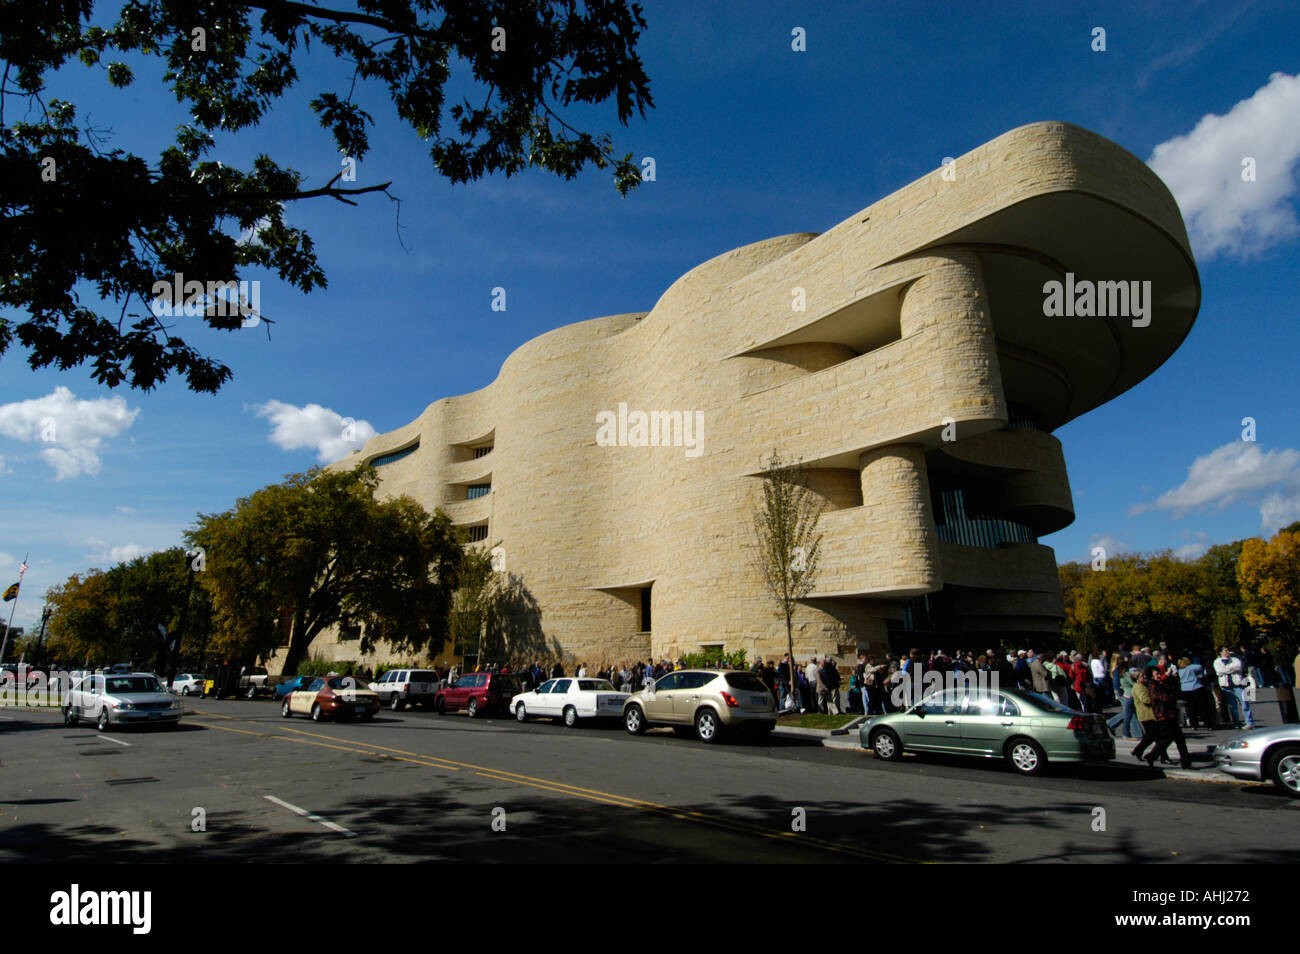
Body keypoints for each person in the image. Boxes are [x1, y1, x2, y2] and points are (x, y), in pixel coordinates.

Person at [1146, 663, 1193, 768]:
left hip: (1170, 714)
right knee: (1167, 739)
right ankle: (1152, 755)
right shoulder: (1152, 685)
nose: (1159, 676)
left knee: (1179, 739)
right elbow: (1161, 697)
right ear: (1151, 675)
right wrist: (1170, 696)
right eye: (1156, 674)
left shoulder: (1160, 684)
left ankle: (1186, 763)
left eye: (1159, 674)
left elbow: (1172, 690)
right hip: (1163, 715)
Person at [1213, 647, 1253, 729]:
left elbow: (1239, 667)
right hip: (1226, 686)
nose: (1228, 652)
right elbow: (1219, 671)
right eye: (1225, 651)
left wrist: (1227, 669)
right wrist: (1231, 669)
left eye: (1228, 650)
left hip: (1238, 684)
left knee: (1244, 703)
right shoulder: (1217, 662)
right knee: (1232, 706)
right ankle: (1236, 722)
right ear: (1220, 653)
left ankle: (1249, 722)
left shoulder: (1235, 659)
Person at [1130, 665, 1159, 761]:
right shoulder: (1139, 687)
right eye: (1142, 676)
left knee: (1152, 736)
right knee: (1152, 736)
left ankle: (1138, 750)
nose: (1145, 678)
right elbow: (1145, 699)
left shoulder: (1142, 686)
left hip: (1148, 714)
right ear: (1137, 678)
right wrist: (1155, 699)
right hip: (1146, 715)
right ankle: (1138, 750)